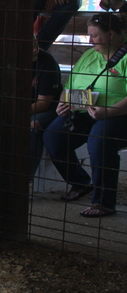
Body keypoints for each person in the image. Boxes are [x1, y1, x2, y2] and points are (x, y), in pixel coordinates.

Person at [43, 13, 127, 217]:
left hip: (118, 114)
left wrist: (109, 111)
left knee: (99, 141)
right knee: (53, 136)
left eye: (95, 36)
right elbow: (70, 84)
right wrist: (63, 102)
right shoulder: (90, 55)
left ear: (111, 34)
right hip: (84, 110)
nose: (90, 40)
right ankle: (80, 182)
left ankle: (103, 203)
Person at [0, 36, 62, 197]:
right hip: (8, 107)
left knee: (32, 127)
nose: (34, 50)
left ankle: (23, 181)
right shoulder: (3, 60)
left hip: (40, 110)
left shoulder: (47, 62)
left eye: (35, 45)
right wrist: (1, 113)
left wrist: (13, 115)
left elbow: (44, 103)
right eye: (29, 47)